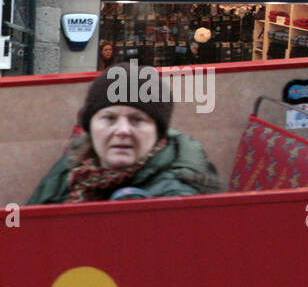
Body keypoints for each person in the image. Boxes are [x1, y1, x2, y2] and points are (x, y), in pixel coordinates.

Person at [27, 66, 221, 204]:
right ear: (89, 127)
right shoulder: (68, 169)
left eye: (137, 120)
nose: (122, 131)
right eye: (109, 118)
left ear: (158, 133)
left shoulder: (178, 198)